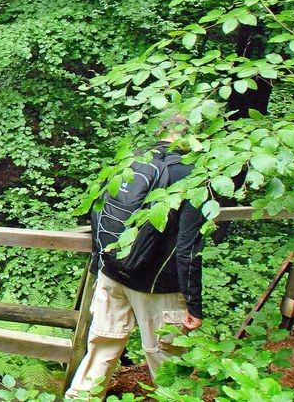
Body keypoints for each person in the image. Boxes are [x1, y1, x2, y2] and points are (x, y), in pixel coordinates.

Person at [65, 115, 204, 399]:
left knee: (102, 346)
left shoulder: (129, 161)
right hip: (156, 285)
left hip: (112, 273)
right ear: (193, 137)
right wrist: (194, 303)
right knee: (166, 356)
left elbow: (98, 215)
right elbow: (188, 247)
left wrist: (100, 264)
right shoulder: (193, 175)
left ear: (160, 131)